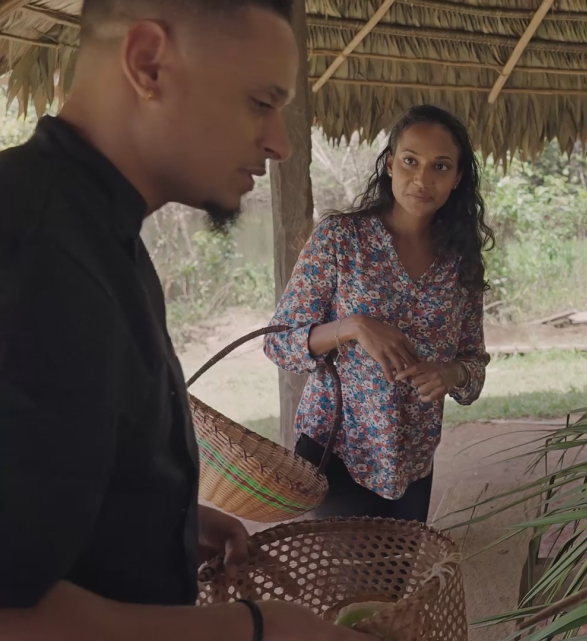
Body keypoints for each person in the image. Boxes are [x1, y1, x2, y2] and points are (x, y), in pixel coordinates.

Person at [0, 1, 370, 640]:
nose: (279, 141)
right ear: (148, 62)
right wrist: (259, 630)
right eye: (260, 102)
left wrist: (166, 517)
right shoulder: (36, 254)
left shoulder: (92, 230)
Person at [263, 105, 492, 523]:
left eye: (440, 166)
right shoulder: (341, 239)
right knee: (345, 584)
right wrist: (353, 326)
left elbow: (474, 365)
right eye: (410, 161)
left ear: (457, 179)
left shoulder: (459, 263)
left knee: (396, 585)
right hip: (337, 449)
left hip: (413, 460)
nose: (422, 179)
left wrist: (450, 373)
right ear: (389, 164)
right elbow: (278, 341)